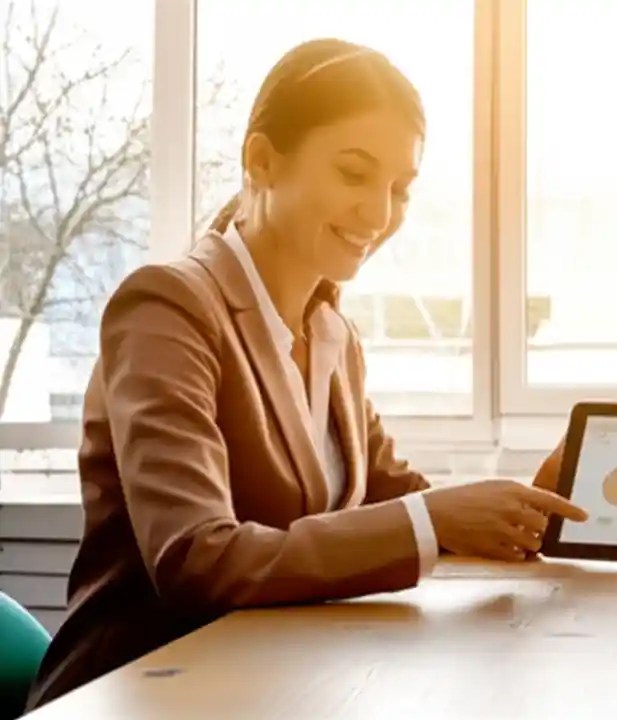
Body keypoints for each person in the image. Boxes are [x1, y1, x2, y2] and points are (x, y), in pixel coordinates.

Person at [26, 38, 587, 710]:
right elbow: (196, 557)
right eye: (354, 174)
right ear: (261, 160)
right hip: (140, 694)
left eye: (400, 190)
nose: (380, 214)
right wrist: (435, 519)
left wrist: (521, 511)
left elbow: (397, 501)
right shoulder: (167, 308)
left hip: (273, 686)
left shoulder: (333, 335)